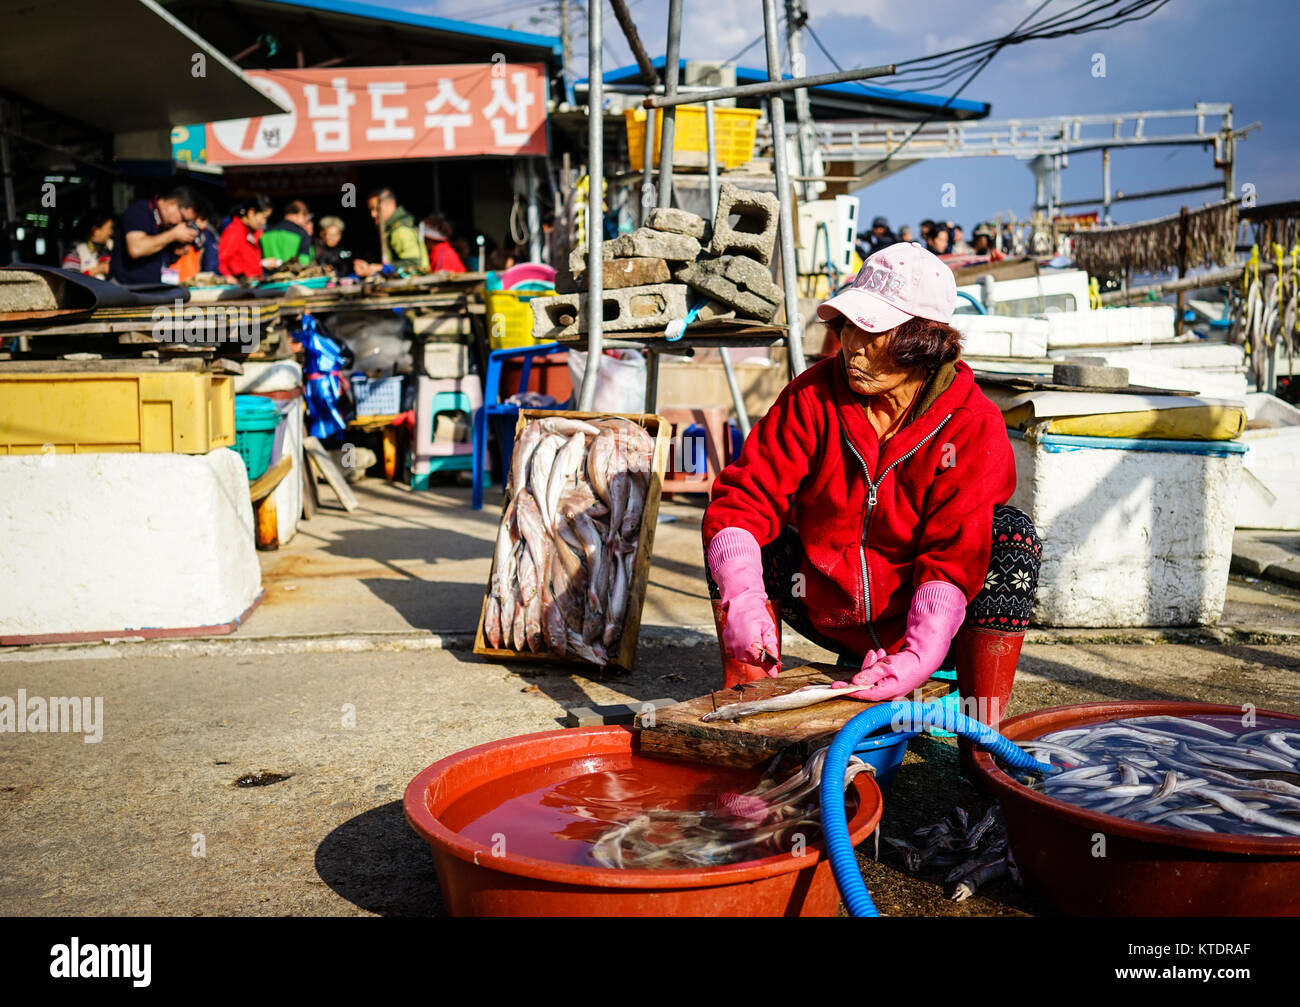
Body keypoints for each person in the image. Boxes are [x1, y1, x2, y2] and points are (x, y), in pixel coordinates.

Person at [702, 241, 1040, 749]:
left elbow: (954, 554)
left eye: (873, 332)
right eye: (847, 327)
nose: (853, 346)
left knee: (1012, 537)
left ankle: (982, 739)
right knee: (733, 534)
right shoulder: (812, 397)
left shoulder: (973, 426)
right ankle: (749, 703)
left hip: (925, 624)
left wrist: (919, 654)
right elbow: (746, 496)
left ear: (924, 342)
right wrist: (743, 598)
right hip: (824, 607)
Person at [110, 185, 206, 285]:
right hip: (125, 290)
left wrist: (176, 252)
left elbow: (158, 262)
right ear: (172, 203)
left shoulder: (164, 225)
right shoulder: (140, 211)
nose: (182, 224)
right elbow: (136, 249)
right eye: (183, 219)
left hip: (151, 290)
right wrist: (173, 235)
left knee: (180, 299)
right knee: (179, 298)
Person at [354, 188, 428, 277]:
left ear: (391, 204)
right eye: (370, 210)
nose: (372, 214)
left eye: (376, 209)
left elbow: (414, 263)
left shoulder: (401, 231)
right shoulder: (391, 229)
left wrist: (379, 268)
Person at [218, 195, 275, 279]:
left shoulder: (251, 233)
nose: (264, 222)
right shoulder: (234, 231)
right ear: (251, 212)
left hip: (252, 285)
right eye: (264, 217)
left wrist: (261, 263)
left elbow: (244, 261)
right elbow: (222, 262)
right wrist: (230, 278)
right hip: (241, 288)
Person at [261, 199, 314, 266]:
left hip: (269, 275)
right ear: (300, 214)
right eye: (306, 217)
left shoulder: (265, 233)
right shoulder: (302, 234)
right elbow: (304, 262)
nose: (306, 221)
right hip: (292, 275)